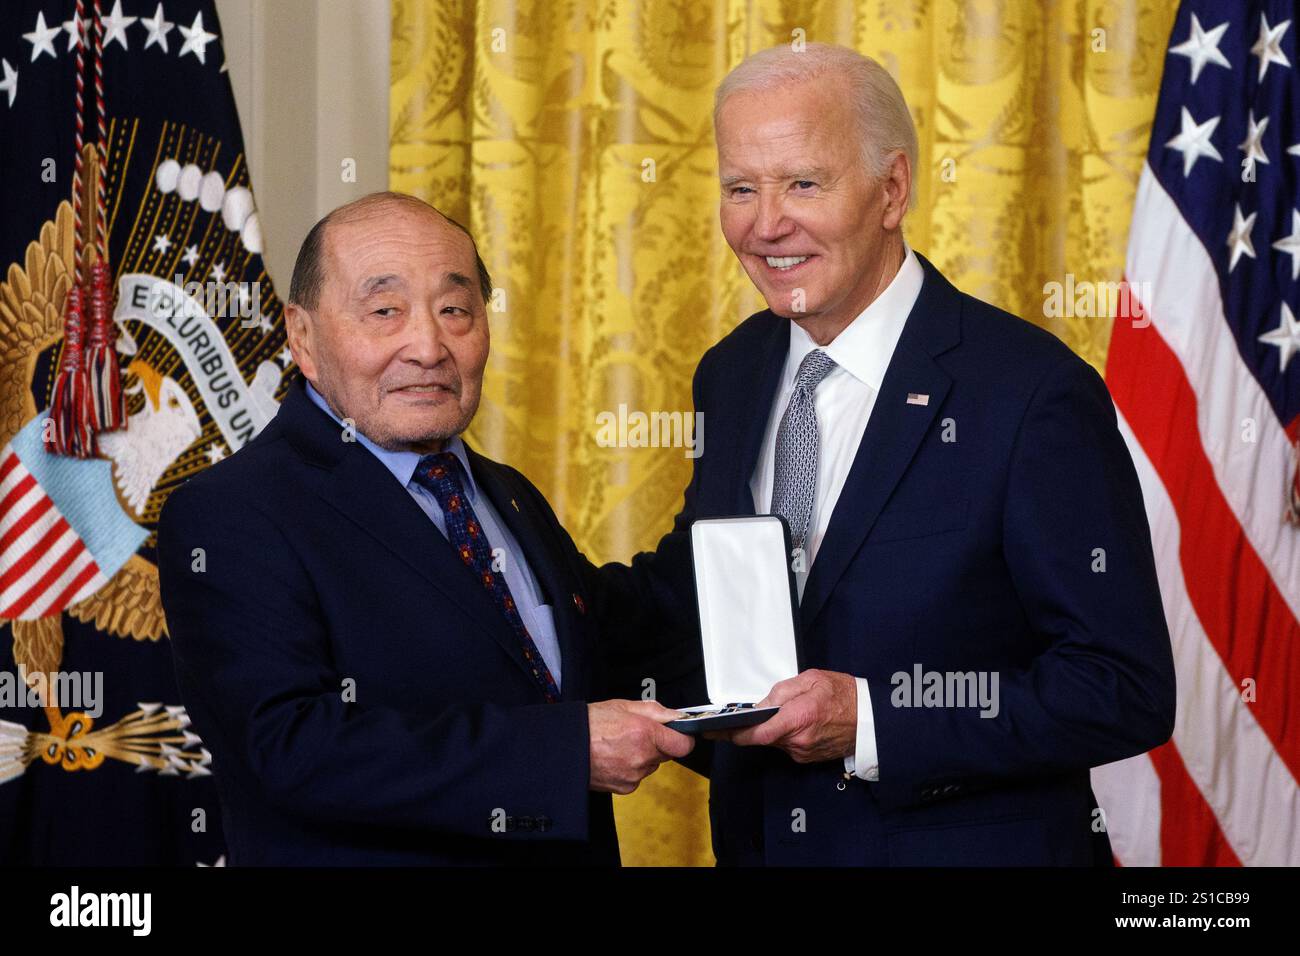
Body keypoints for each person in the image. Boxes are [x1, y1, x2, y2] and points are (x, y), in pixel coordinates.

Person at [596, 42, 1176, 866]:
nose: (766, 223)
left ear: (892, 190)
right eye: (740, 188)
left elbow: (1122, 688)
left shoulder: (1029, 392)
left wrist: (871, 722)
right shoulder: (732, 372)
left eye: (803, 183)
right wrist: (517, 583)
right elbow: (703, 586)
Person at [157, 191, 693, 865]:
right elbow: (294, 748)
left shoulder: (507, 495)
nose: (428, 345)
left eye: (455, 310)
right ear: (302, 336)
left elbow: (611, 640)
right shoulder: (231, 513)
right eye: (385, 311)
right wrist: (567, 751)